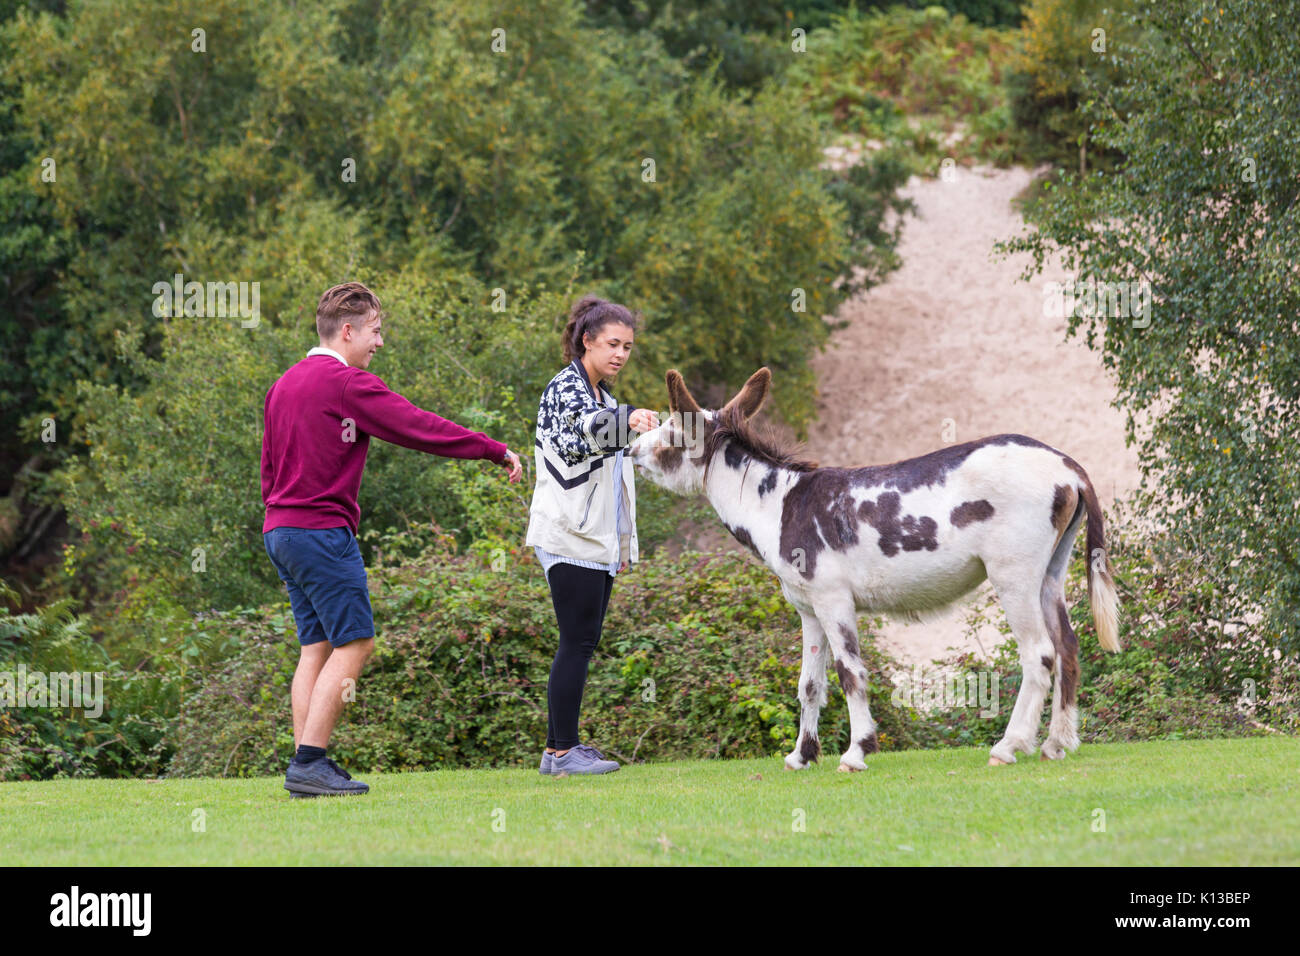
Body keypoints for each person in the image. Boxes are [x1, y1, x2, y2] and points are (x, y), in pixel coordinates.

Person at [261, 282, 522, 797]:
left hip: (280, 530)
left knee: (314, 646)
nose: (379, 343)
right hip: (319, 531)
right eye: (376, 332)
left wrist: (279, 521)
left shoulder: (283, 384)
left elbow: (269, 467)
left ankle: (305, 764)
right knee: (356, 641)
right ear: (349, 330)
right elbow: (417, 426)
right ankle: (310, 762)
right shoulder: (345, 384)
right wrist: (493, 450)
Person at [526, 295, 659, 775]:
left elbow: (621, 467)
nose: (621, 354)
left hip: (594, 541)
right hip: (568, 535)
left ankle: (558, 749)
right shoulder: (569, 388)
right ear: (587, 341)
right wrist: (628, 421)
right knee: (576, 642)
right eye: (612, 344)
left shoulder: (604, 396)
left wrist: (699, 428)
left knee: (581, 642)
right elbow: (587, 433)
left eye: (627, 346)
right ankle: (563, 754)